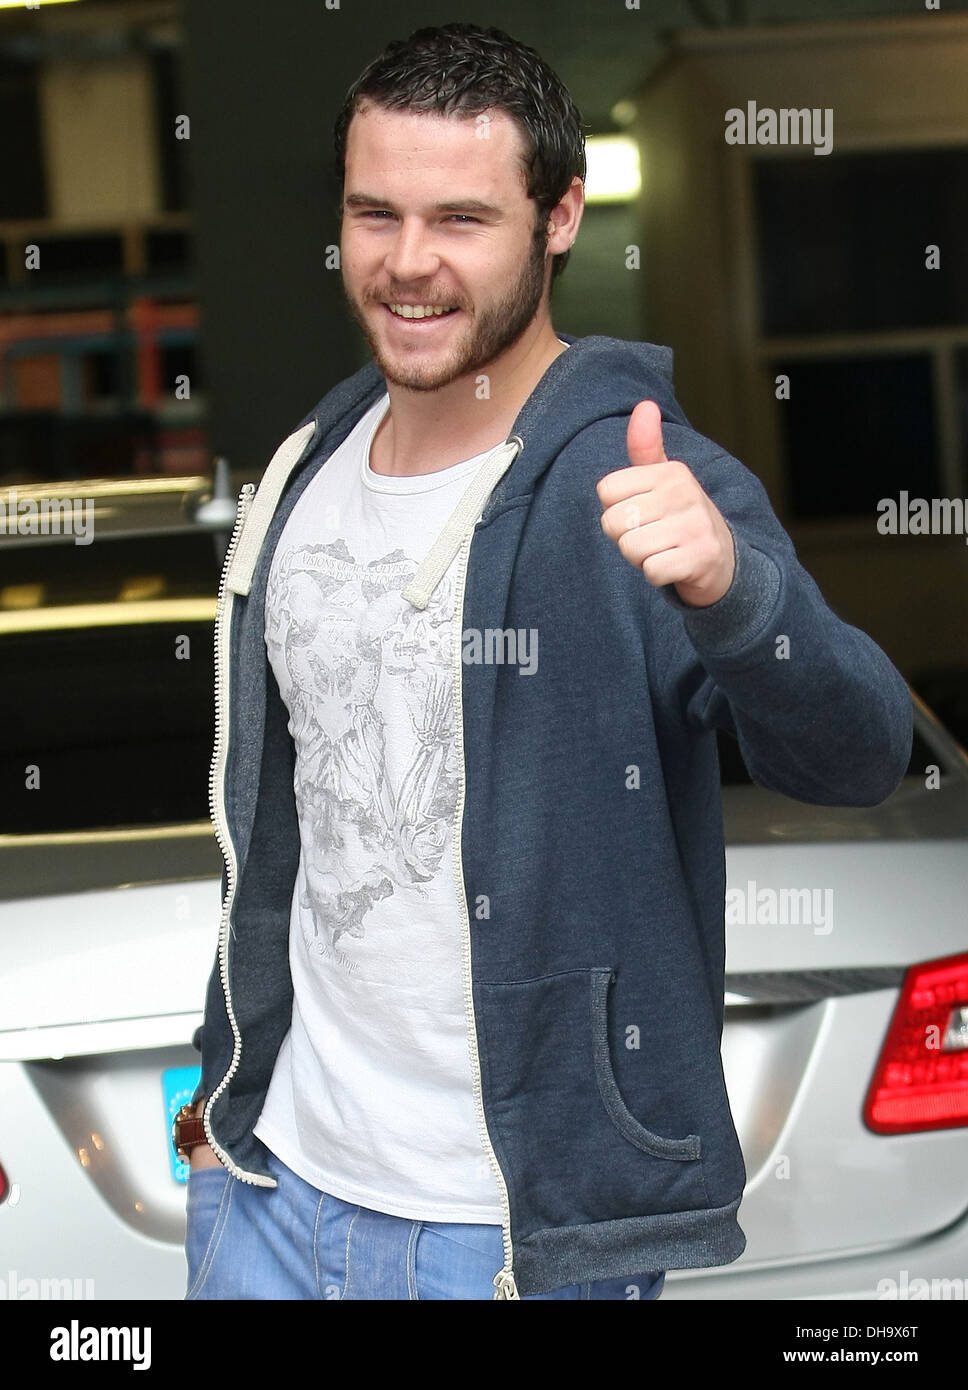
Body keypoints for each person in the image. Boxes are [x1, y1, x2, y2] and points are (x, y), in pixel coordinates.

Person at [176, 22, 912, 1301]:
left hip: (508, 1243)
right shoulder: (304, 473)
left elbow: (861, 753)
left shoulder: (634, 481)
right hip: (271, 1196)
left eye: (461, 219)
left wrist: (733, 591)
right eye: (374, 214)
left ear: (559, 216)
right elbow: (296, 843)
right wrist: (224, 1088)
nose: (407, 266)